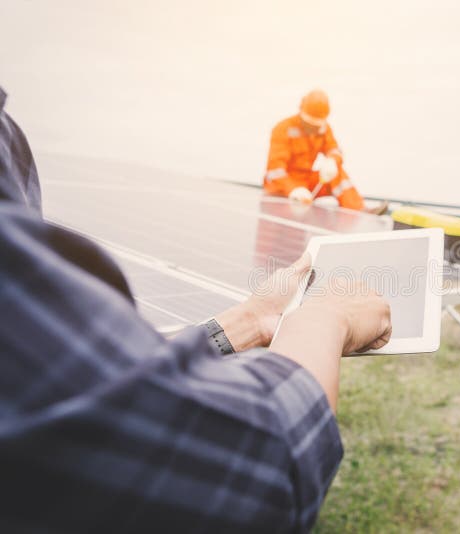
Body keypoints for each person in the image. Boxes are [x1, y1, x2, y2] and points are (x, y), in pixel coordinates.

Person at [0, 85, 392, 533]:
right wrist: (325, 317)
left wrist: (248, 319)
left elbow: (86, 382)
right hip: (286, 212)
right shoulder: (285, 130)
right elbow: (247, 465)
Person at [263, 89, 387, 214]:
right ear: (301, 111)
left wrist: (332, 160)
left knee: (337, 173)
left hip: (307, 185)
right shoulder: (283, 128)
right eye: (310, 123)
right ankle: (295, 193)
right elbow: (275, 170)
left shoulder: (323, 129)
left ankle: (359, 210)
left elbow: (334, 149)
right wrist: (293, 189)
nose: (313, 128)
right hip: (281, 188)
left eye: (316, 125)